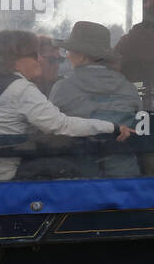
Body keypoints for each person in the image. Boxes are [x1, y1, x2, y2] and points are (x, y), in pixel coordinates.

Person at [0, 29, 133, 182]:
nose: (40, 59)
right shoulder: (21, 89)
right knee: (70, 169)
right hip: (4, 179)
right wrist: (112, 127)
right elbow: (62, 125)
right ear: (14, 60)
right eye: (35, 55)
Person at [49, 21, 141, 177]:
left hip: (78, 178)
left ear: (82, 56)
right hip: (126, 179)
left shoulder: (62, 89)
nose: (68, 56)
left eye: (69, 51)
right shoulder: (129, 88)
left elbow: (50, 127)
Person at [31, 33, 66, 97]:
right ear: (37, 59)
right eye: (52, 60)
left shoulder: (63, 87)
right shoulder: (23, 89)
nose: (57, 66)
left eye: (60, 60)